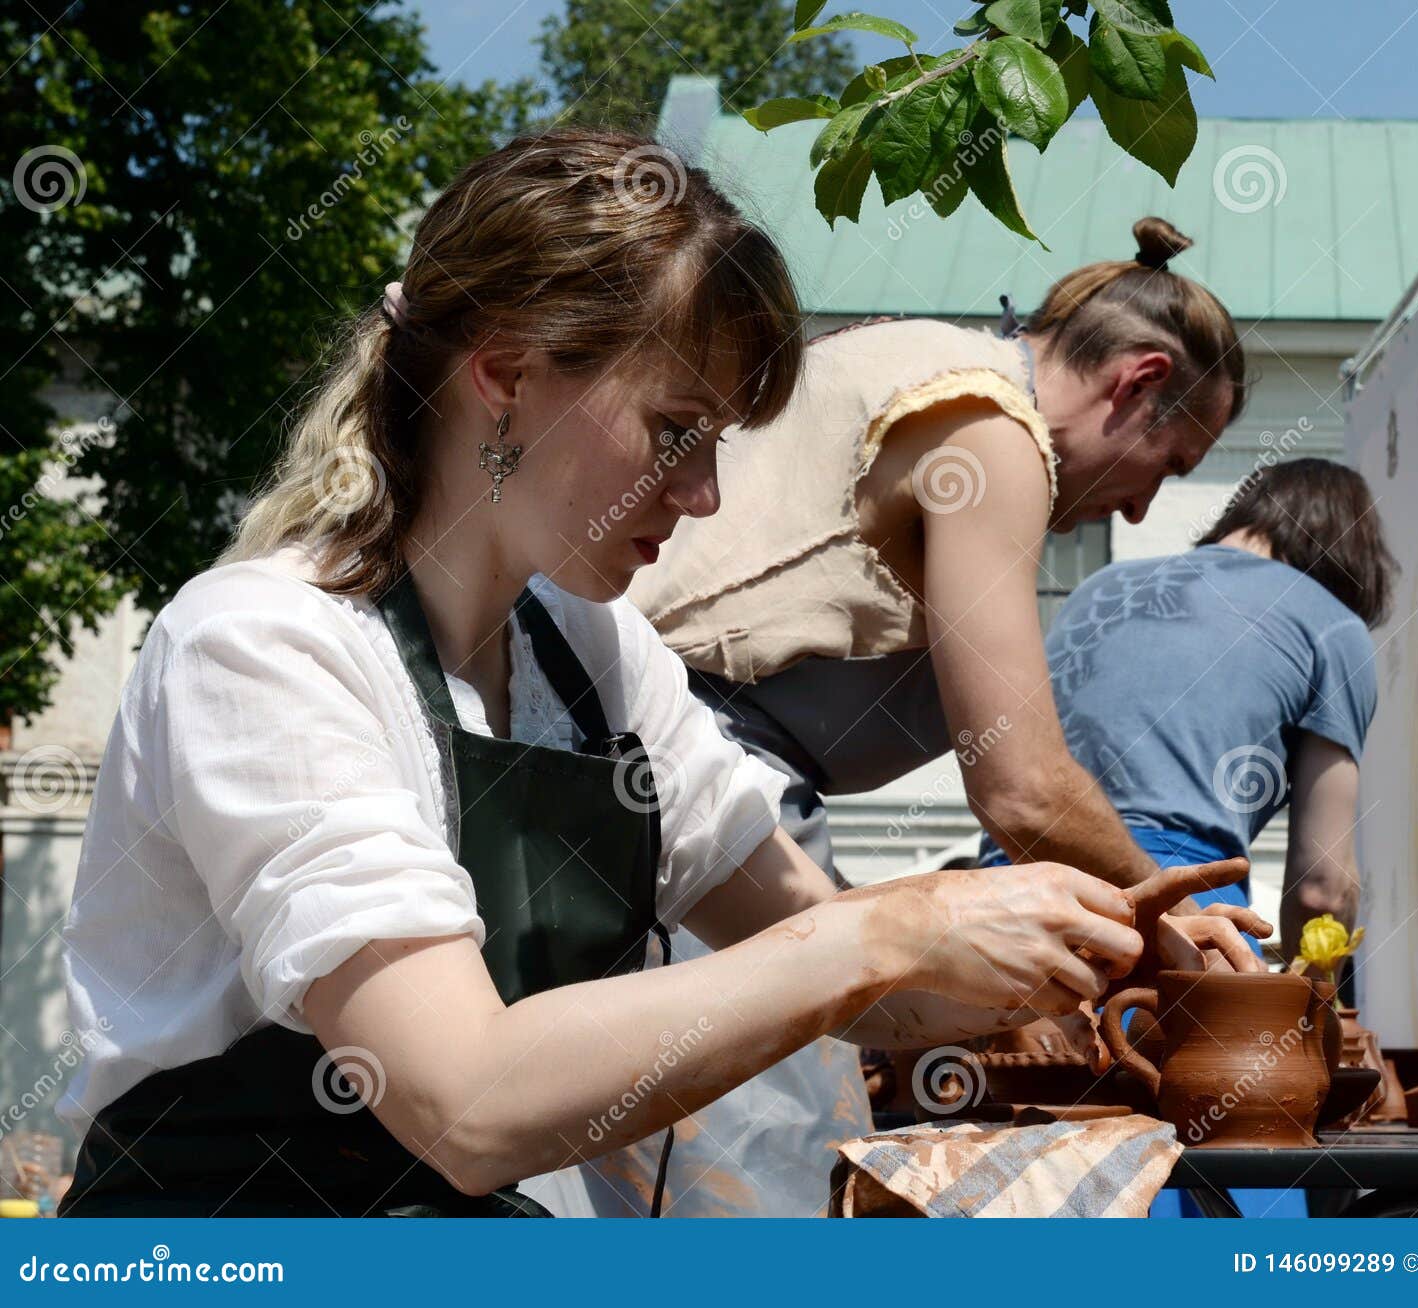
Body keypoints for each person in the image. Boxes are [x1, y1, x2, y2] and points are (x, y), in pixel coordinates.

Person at [54, 129, 1257, 1219]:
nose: (703, 496)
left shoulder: (590, 657)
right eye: (675, 432)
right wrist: (891, 933)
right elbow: (465, 1103)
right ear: (507, 375)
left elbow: (840, 962)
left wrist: (1096, 947)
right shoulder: (266, 646)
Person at [619, 218, 1251, 1214]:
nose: (1137, 513)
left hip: (668, 783)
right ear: (1135, 381)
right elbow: (1022, 787)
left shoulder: (931, 365)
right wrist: (1166, 914)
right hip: (677, 779)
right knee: (758, 1209)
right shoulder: (989, 428)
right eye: (1168, 463)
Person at [979, 457, 1397, 1216]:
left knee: (1029, 1187)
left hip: (1006, 892)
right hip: (1177, 902)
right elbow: (1323, 885)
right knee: (1225, 1191)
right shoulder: (1331, 623)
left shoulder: (1100, 588)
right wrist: (1318, 1009)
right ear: (1351, 557)